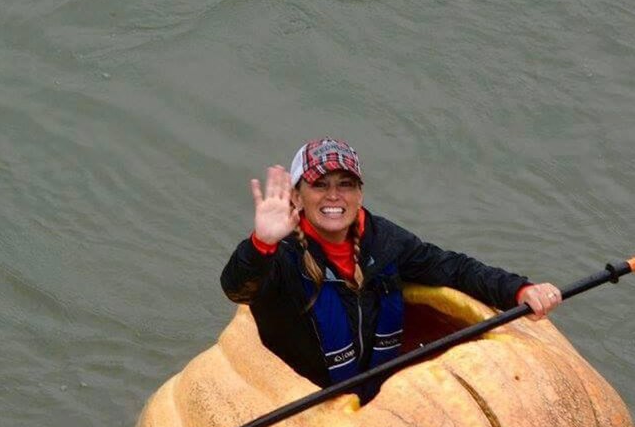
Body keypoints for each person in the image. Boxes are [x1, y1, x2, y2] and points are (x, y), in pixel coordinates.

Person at [220, 138, 562, 405]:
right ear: (297, 195)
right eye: (320, 185)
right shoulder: (280, 254)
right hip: (310, 402)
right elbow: (238, 289)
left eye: (346, 184)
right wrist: (261, 243)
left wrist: (519, 290)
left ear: (360, 192)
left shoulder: (384, 241)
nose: (334, 196)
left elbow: (452, 269)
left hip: (380, 394)